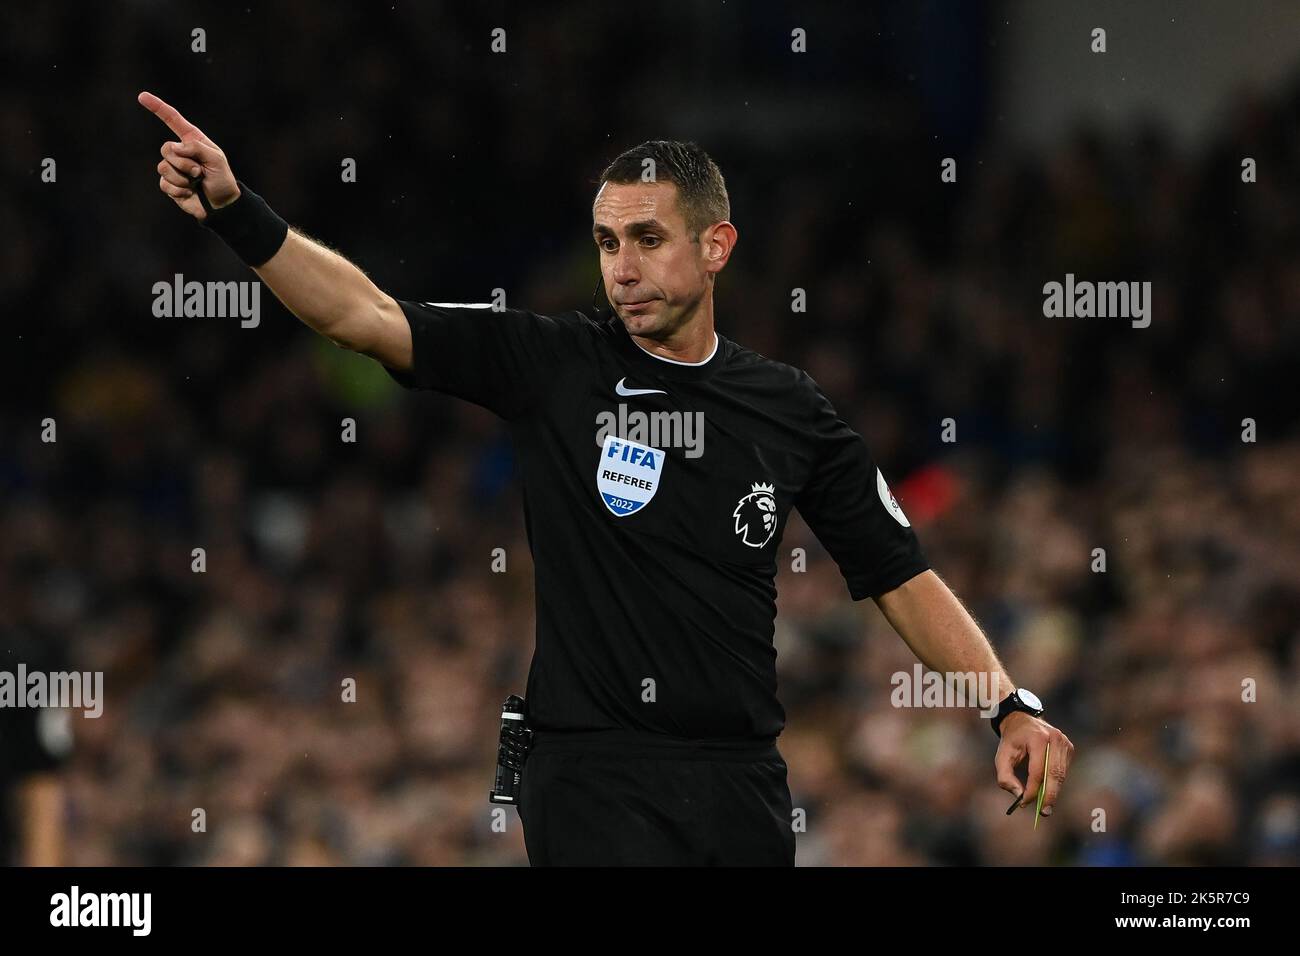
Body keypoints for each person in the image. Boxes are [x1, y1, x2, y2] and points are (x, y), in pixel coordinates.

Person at [138, 90, 1075, 865]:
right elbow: (367, 316)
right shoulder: (553, 363)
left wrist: (1007, 704)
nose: (622, 270)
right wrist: (237, 210)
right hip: (592, 772)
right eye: (606, 243)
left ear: (716, 248)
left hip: (741, 779)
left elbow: (899, 572)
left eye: (648, 240)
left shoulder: (791, 411)